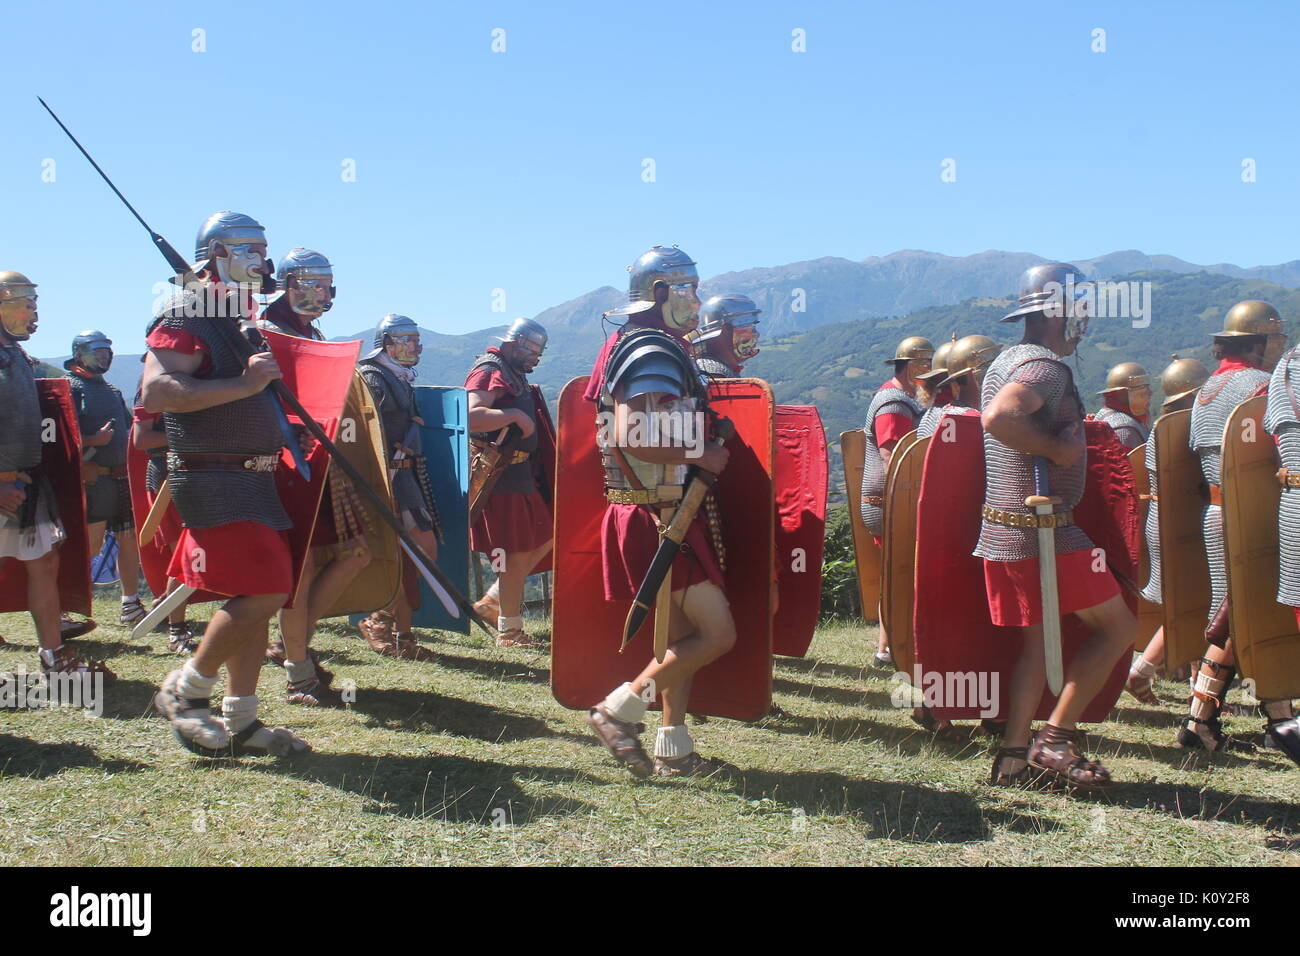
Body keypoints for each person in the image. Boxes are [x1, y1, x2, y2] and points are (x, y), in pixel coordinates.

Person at [144, 210, 310, 757]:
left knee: (257, 596)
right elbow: (160, 393)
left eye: (264, 248)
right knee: (264, 590)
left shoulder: (240, 312)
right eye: (248, 249)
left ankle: (242, 720)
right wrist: (245, 382)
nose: (261, 260)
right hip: (211, 471)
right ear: (216, 253)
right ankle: (186, 690)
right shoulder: (186, 307)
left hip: (254, 474)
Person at [978, 262, 1136, 790]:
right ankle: (1056, 739)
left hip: (1007, 529)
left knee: (1034, 645)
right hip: (1043, 529)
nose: (1085, 319)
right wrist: (1058, 448)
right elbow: (1000, 418)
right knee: (1118, 628)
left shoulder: (1006, 359)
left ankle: (1013, 757)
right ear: (1059, 311)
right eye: (1080, 307)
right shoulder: (1044, 367)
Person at [582, 245, 737, 777]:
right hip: (658, 514)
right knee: (717, 635)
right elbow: (631, 433)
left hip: (665, 509)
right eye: (688, 288)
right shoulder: (649, 348)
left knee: (680, 641)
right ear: (660, 293)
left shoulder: (643, 344)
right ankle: (619, 708)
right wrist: (702, 452)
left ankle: (674, 746)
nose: (697, 299)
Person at [252, 248, 369, 705]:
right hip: (281, 465)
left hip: (319, 462)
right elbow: (251, 400)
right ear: (290, 284)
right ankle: (299, 673)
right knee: (298, 570)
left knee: (351, 554)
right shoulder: (264, 332)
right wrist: (282, 437)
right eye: (313, 284)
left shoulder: (309, 331)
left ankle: (293, 642)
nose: (322, 292)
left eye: (326, 284)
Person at [1183, 300, 1299, 762]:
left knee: (1234, 617)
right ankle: (1261, 717)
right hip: (1248, 515)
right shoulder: (1261, 387)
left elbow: (1194, 456)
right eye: (1276, 338)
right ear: (1260, 341)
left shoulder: (1206, 390)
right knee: (1243, 614)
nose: (1281, 346)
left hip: (1214, 512)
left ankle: (1265, 717)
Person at [0, 271, 112, 677]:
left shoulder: (17, 357)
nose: (34, 311)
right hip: (3, 484)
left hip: (27, 481)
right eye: (26, 302)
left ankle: (53, 657)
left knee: (44, 561)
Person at [355, 314, 440, 661]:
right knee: (397, 556)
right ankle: (378, 621)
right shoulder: (374, 378)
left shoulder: (400, 377)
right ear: (387, 344)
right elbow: (365, 426)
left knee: (420, 554)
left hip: (405, 478)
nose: (417, 345)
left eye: (417, 338)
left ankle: (403, 635)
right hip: (384, 480)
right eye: (408, 339)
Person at [465, 317, 553, 647]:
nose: (536, 358)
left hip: (519, 475)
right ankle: (510, 631)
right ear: (516, 344)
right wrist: (514, 416)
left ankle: (492, 600)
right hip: (498, 478)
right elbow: (472, 414)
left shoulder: (510, 371)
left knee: (548, 535)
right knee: (513, 555)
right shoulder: (491, 367)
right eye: (533, 351)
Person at [1125, 356, 1207, 704]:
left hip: (1163, 519)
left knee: (1188, 605)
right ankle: (1149, 673)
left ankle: (1185, 685)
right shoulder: (1188, 424)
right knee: (1200, 603)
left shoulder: (1164, 424)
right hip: (1183, 522)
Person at [64, 330, 144, 627]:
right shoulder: (70, 388)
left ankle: (130, 604)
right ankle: (62, 606)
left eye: (107, 352)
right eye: (98, 351)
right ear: (80, 353)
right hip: (93, 479)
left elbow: (128, 429)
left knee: (128, 540)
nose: (104, 356)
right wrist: (91, 440)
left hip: (119, 478)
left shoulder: (111, 390)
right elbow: (58, 436)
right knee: (91, 545)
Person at [861, 335, 931, 665]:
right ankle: (889, 649)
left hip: (892, 500)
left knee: (898, 573)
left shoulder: (903, 398)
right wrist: (911, 499)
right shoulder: (894, 403)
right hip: (887, 501)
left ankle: (886, 649)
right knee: (899, 574)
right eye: (928, 368)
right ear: (916, 367)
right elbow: (894, 456)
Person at [691, 294, 762, 381]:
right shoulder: (712, 373)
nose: (757, 334)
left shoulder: (722, 369)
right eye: (751, 328)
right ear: (725, 330)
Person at [1094, 362, 1151, 450]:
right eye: (1143, 390)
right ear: (1122, 394)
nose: (1150, 393)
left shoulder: (1113, 416)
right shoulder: (1124, 430)